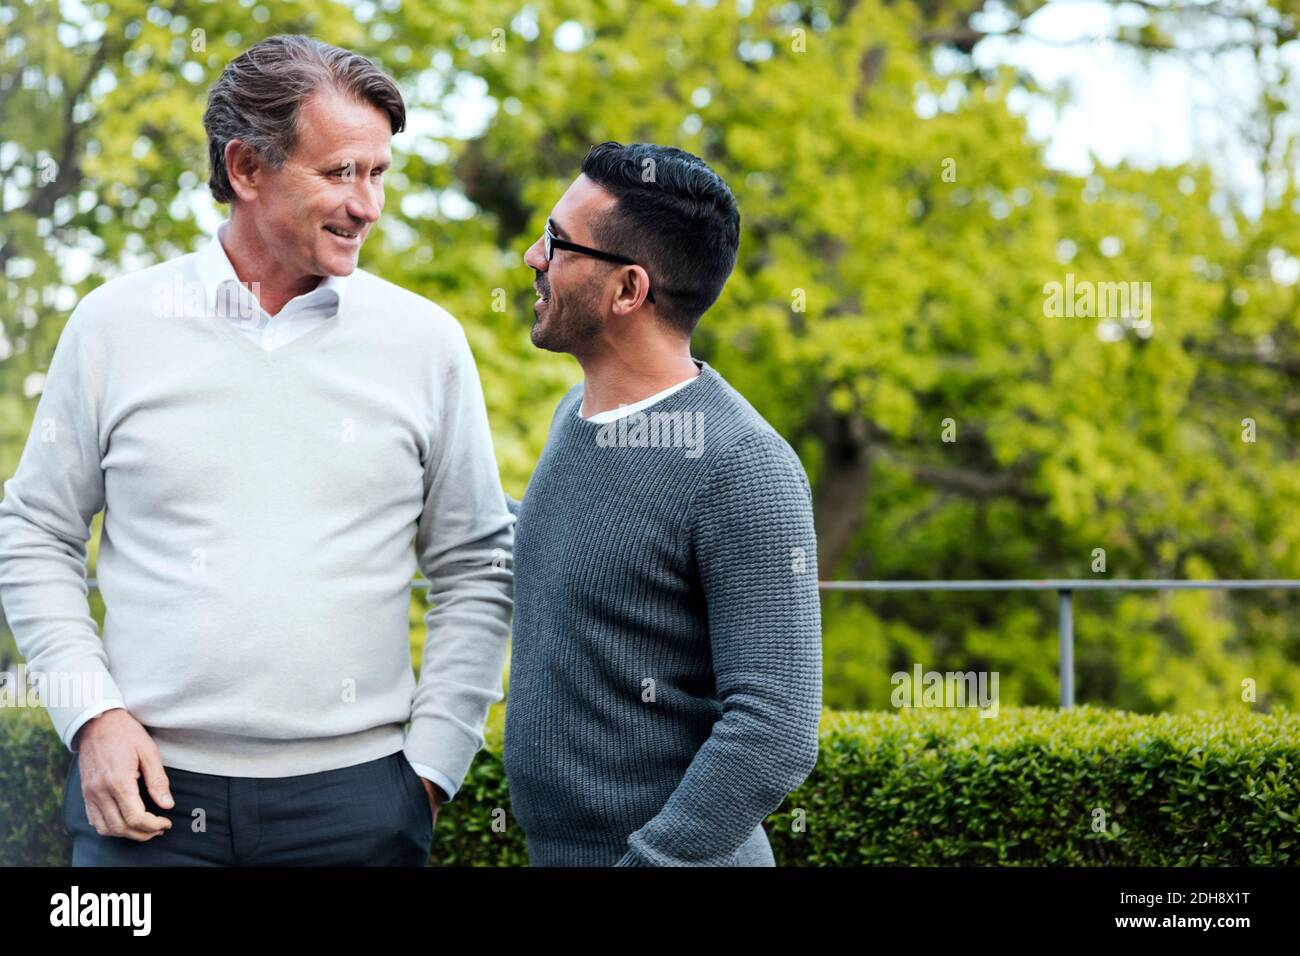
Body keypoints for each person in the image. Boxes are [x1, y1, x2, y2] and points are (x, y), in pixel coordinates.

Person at [0, 35, 514, 866]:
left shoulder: (426, 343)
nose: (368, 204)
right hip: (144, 803)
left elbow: (475, 561)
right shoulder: (112, 326)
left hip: (360, 807)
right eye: (341, 172)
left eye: (379, 173)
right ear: (245, 168)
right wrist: (91, 715)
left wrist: (429, 773)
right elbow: (34, 533)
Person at [504, 141, 823, 866]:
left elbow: (775, 731)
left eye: (556, 242)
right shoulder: (571, 418)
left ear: (627, 290)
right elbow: (579, 553)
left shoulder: (743, 465)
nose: (532, 256)